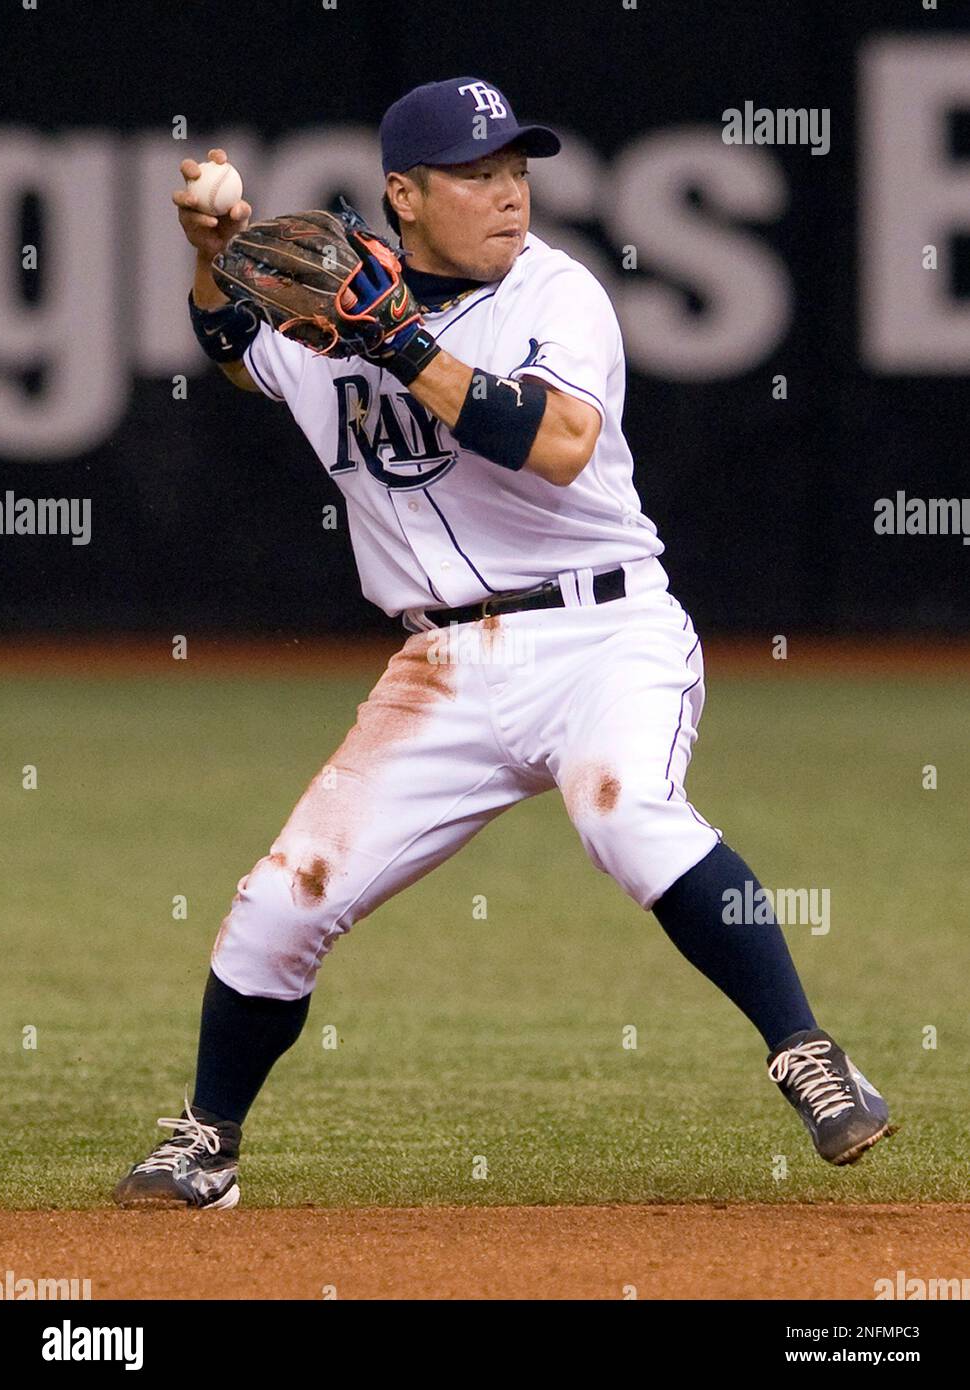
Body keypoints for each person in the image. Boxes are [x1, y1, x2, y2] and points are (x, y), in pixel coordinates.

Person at [114, 77, 890, 1210]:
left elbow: (560, 442)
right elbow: (236, 345)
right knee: (283, 896)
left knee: (624, 813)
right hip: (440, 667)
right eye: (477, 176)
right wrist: (209, 247)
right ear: (404, 194)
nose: (510, 197)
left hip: (603, 629)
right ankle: (207, 1139)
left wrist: (398, 342)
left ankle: (807, 1051)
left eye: (518, 172)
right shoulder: (338, 308)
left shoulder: (555, 291)